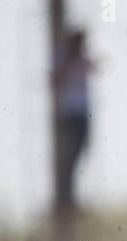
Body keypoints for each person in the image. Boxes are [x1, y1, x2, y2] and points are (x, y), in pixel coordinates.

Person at [53, 28, 93, 211]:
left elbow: (93, 67)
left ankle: (70, 198)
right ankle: (65, 199)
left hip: (82, 113)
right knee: (68, 157)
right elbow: (55, 80)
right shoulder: (62, 56)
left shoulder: (81, 57)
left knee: (80, 152)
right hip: (69, 114)